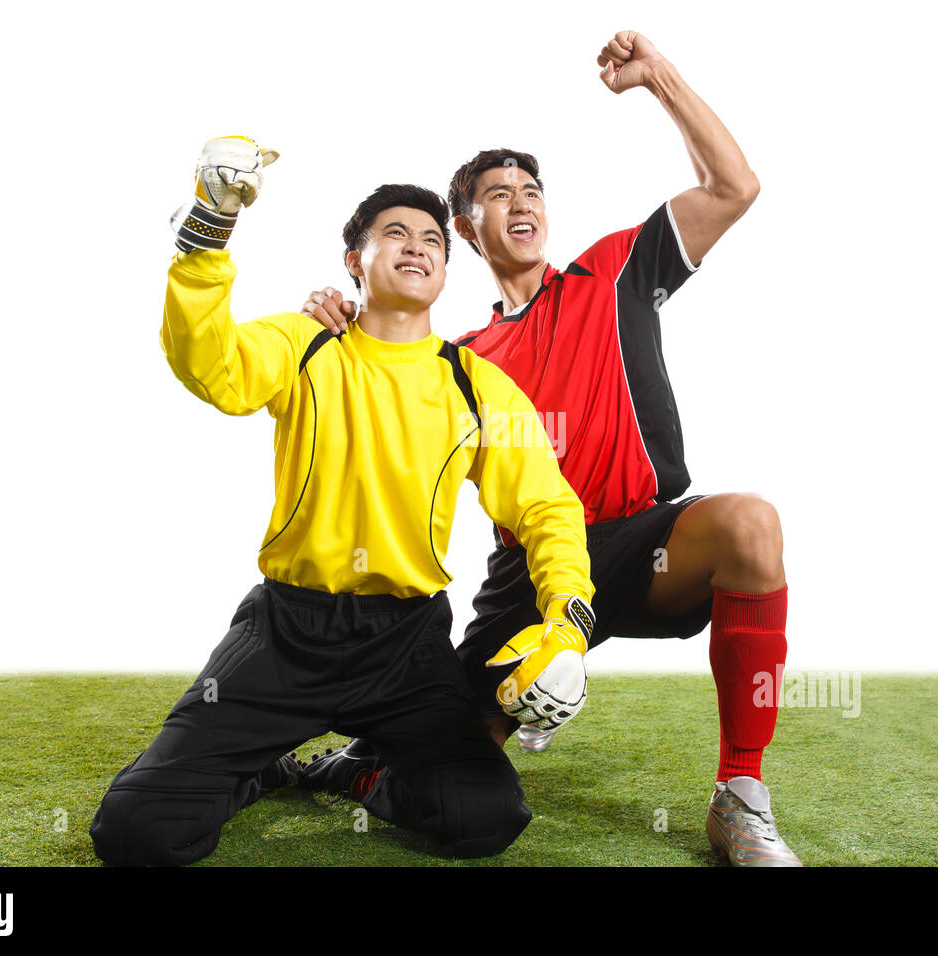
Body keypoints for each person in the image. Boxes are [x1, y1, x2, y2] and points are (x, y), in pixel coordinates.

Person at [298, 31, 801, 866]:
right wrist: (339, 316)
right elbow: (366, 403)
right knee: (451, 760)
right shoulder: (454, 360)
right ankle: (353, 770)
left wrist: (658, 79)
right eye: (499, 193)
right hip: (533, 569)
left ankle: (739, 795)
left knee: (752, 523)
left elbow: (734, 186)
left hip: (647, 544)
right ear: (466, 226)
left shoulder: (613, 274)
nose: (521, 200)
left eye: (531, 188)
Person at [89, 136, 597, 865]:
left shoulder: (476, 385)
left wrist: (568, 618)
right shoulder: (305, 343)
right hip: (284, 633)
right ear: (355, 262)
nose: (416, 247)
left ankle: (357, 769)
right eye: (394, 234)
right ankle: (253, 767)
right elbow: (209, 364)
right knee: (136, 835)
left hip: (408, 647)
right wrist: (208, 232)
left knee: (486, 818)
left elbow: (547, 508)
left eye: (431, 239)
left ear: (447, 269)